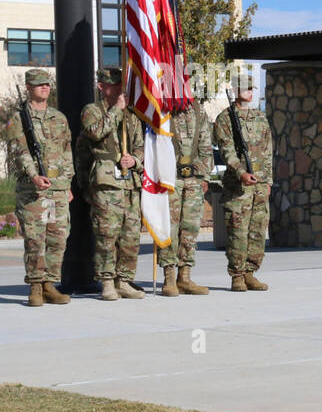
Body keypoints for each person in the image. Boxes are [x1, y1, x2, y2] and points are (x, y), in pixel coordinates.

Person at [1, 70, 73, 306]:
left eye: (46, 84)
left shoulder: (59, 118)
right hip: (34, 191)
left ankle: (49, 284)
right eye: (38, 84)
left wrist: (68, 183)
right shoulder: (19, 117)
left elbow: (66, 152)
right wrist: (33, 176)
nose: (44, 87)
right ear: (29, 87)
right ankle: (34, 285)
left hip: (57, 189)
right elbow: (20, 151)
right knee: (35, 239)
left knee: (57, 238)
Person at [79, 68, 145, 300]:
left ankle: (124, 280)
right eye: (112, 85)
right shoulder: (92, 111)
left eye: (120, 85)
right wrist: (116, 109)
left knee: (130, 234)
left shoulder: (131, 115)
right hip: (106, 181)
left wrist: (134, 159)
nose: (118, 89)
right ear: (101, 87)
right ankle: (107, 281)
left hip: (130, 183)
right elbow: (96, 133)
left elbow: (140, 145)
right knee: (107, 234)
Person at [213, 66, 273, 291]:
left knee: (257, 231)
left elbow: (268, 151)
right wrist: (241, 173)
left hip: (259, 185)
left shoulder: (259, 117)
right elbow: (227, 151)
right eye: (246, 88)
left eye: (252, 88)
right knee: (237, 231)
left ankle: (250, 272)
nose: (250, 92)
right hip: (239, 186)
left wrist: (268, 182)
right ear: (236, 90)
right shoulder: (225, 119)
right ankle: (237, 275)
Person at [158, 85, 213, 295]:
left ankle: (185, 276)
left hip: (194, 178)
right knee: (170, 227)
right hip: (170, 176)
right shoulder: (163, 109)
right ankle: (169, 277)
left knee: (190, 228)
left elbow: (206, 144)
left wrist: (205, 176)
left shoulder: (198, 110)